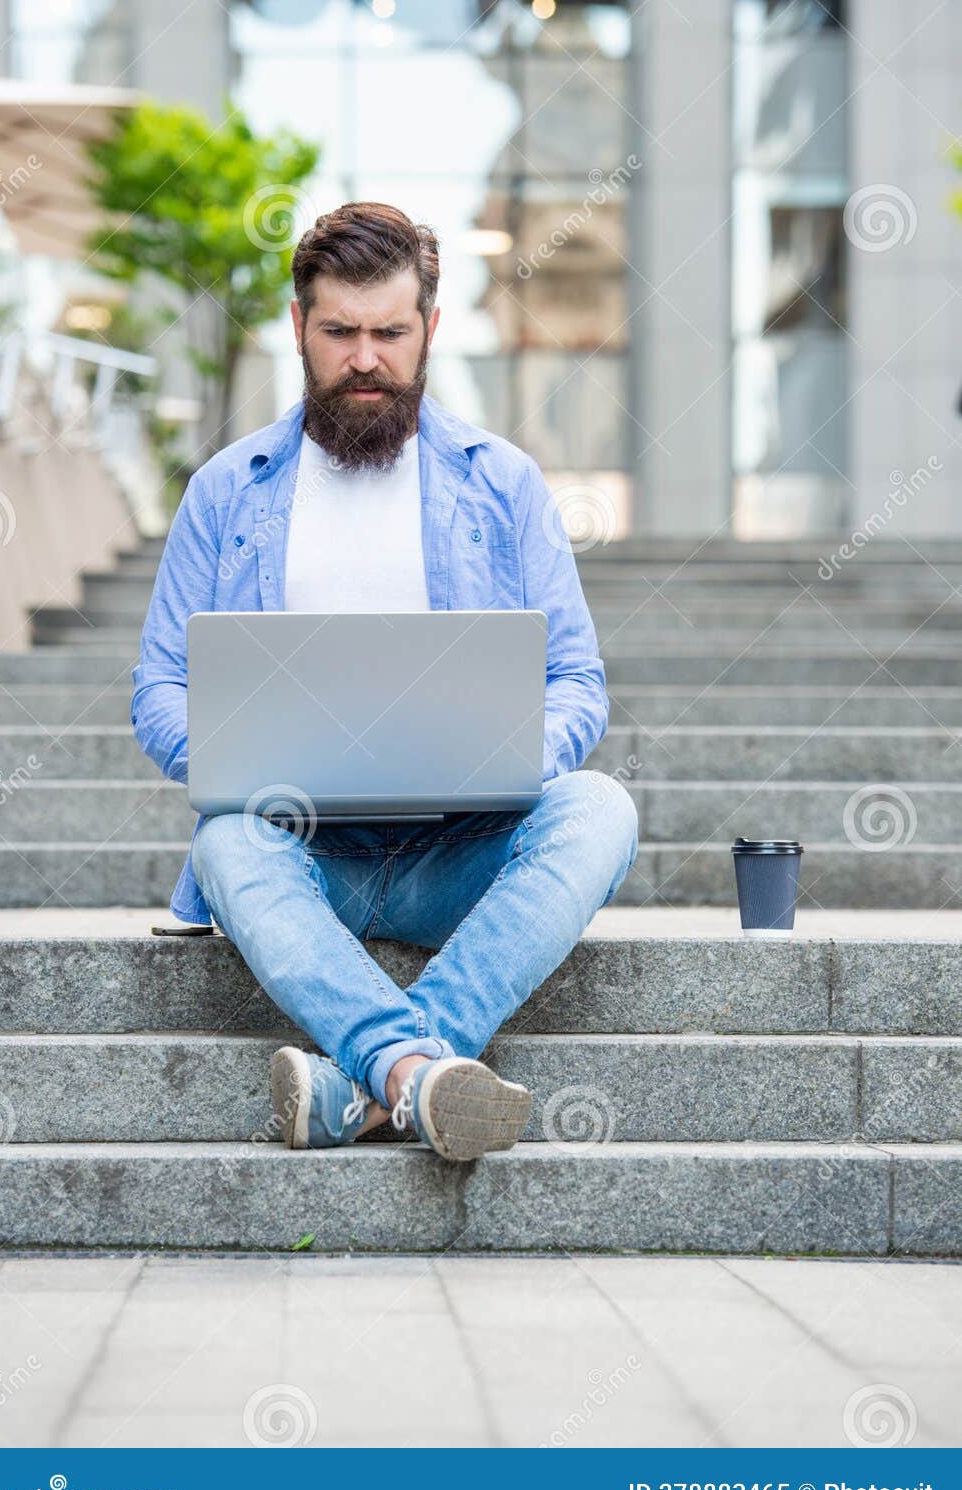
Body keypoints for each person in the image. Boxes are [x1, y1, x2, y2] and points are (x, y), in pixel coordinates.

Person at [132, 201, 639, 1163]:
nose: (365, 359)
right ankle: (416, 1075)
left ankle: (367, 1083)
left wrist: (512, 756)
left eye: (389, 334)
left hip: (461, 852)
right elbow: (158, 685)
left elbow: (575, 677)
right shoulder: (226, 491)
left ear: (430, 331)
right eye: (339, 333)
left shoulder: (505, 484)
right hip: (300, 854)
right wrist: (233, 755)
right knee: (225, 840)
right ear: (297, 328)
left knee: (598, 809)